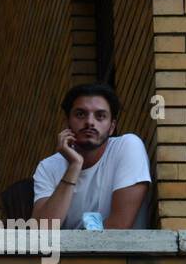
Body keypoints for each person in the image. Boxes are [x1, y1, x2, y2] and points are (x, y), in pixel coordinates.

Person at [31, 83, 151, 229]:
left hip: (121, 252)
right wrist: (74, 166)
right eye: (81, 114)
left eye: (100, 116)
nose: (89, 122)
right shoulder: (48, 167)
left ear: (112, 127)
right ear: (67, 123)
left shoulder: (127, 146)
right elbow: (41, 232)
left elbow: (118, 228)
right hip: (67, 252)